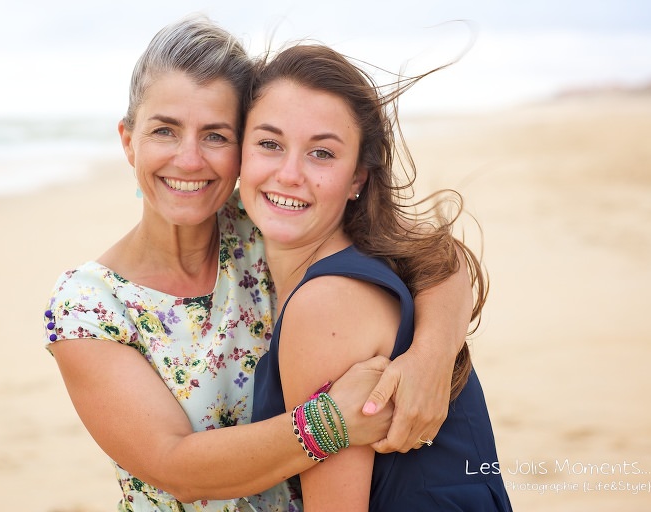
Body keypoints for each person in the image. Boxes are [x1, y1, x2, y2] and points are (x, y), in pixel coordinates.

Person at [43, 16, 476, 511]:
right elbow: (173, 466)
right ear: (128, 141)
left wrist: (431, 360)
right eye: (165, 130)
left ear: (242, 149)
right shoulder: (90, 306)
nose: (188, 160)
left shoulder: (267, 225)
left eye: (216, 136)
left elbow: (435, 259)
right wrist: (332, 422)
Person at [243, 44, 513, 510]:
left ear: (357, 179)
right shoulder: (376, 257)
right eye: (270, 144)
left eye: (322, 153)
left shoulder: (327, 303)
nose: (289, 174)